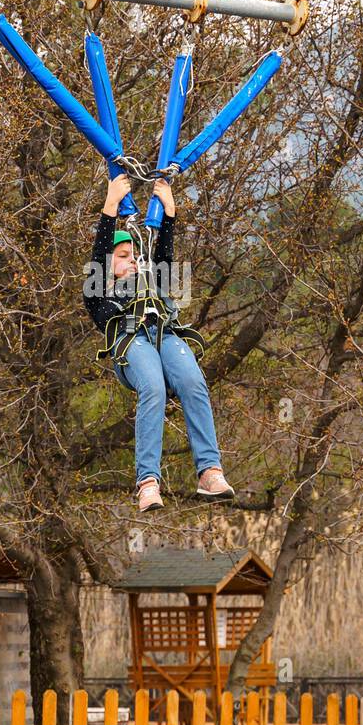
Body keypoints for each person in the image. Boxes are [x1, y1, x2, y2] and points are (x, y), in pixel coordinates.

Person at [83, 171, 235, 512]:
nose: (132, 260)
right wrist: (110, 207)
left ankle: (209, 471)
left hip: (163, 335)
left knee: (194, 381)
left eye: (134, 255)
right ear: (108, 265)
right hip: (130, 342)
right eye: (122, 256)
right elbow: (98, 256)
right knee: (152, 386)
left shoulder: (152, 283)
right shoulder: (99, 293)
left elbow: (164, 260)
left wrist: (169, 214)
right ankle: (148, 482)